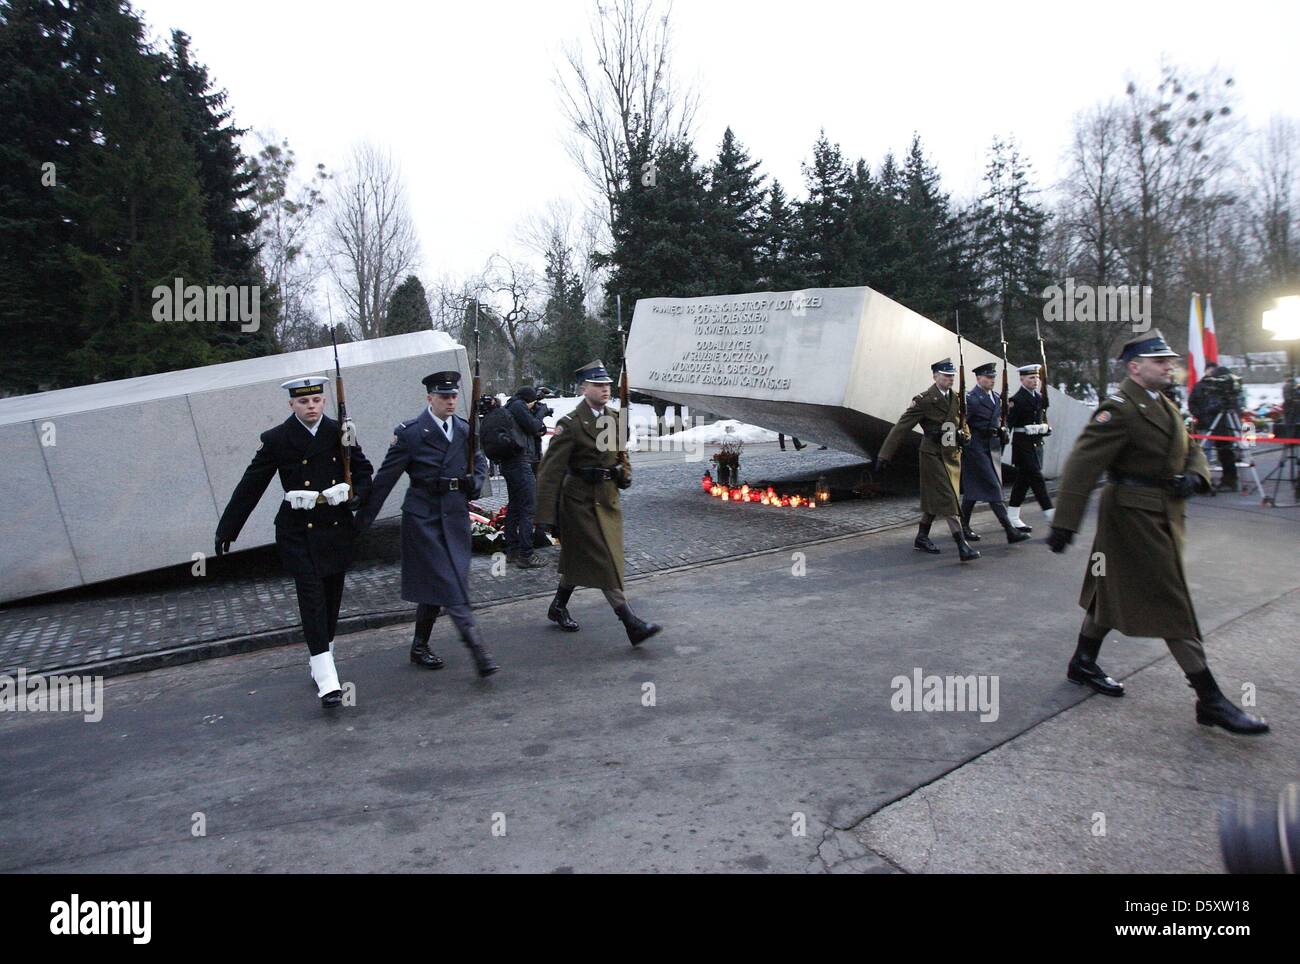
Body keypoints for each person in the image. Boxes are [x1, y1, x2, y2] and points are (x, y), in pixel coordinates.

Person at [1046, 331, 1268, 735]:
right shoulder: (1120, 409)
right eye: (1160, 361)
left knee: (1109, 589)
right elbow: (1082, 464)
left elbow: (1192, 448)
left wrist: (1196, 477)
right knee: (1169, 601)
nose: (1169, 366)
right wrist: (1065, 523)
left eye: (1169, 360)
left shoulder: (1163, 403)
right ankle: (1210, 698)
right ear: (1135, 367)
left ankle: (1082, 661)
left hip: (1162, 512)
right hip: (1132, 517)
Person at [215, 377, 373, 708]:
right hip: (299, 531)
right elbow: (251, 484)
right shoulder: (277, 439)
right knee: (312, 599)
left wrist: (351, 493)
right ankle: (327, 677)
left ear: (324, 402)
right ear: (291, 405)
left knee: (331, 598)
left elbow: (363, 472)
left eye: (316, 400)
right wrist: (228, 528)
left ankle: (323, 655)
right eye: (303, 402)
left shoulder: (340, 432)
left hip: (335, 526)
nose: (311, 406)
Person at [353, 370, 498, 678]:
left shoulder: (463, 429)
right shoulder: (411, 433)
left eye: (454, 396)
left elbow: (480, 460)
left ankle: (419, 645)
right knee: (449, 581)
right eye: (444, 396)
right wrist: (360, 524)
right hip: (424, 517)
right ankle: (476, 646)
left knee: (441, 583)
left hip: (455, 514)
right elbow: (385, 479)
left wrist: (476, 481)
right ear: (429, 398)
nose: (450, 401)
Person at [535, 360, 663, 644]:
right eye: (597, 385)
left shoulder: (616, 418)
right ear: (583, 389)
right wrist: (544, 516)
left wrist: (624, 473)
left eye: (606, 385)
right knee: (603, 560)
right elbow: (549, 471)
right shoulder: (569, 424)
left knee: (580, 561)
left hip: (607, 500)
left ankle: (557, 606)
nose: (604, 389)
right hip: (579, 503)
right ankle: (631, 623)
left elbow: (621, 454)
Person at [876, 358, 979, 561]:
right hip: (932, 454)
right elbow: (901, 427)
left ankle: (922, 537)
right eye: (946, 375)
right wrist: (884, 454)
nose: (950, 379)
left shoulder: (957, 398)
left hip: (952, 455)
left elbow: (963, 421)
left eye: (952, 376)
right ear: (935, 376)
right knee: (949, 498)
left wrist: (965, 435)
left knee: (935, 499)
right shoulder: (924, 400)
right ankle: (961, 545)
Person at [960, 362, 1030, 545]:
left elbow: (1001, 420)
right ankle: (1009, 530)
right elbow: (962, 423)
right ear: (978, 378)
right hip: (976, 448)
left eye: (993, 377)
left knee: (973, 490)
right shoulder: (971, 399)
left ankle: (963, 526)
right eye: (987, 377)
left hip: (992, 446)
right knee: (993, 486)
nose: (991, 380)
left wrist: (1003, 429)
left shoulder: (997, 397)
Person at [501, 386, 548, 569]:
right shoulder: (518, 406)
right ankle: (526, 555)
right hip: (520, 463)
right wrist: (541, 413)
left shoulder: (509, 408)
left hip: (510, 463)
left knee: (514, 506)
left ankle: (512, 550)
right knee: (529, 507)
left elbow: (532, 431)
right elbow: (534, 425)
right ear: (529, 400)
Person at [1006, 364, 1055, 533]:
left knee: (1023, 481)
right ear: (1022, 379)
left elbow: (1041, 418)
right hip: (1022, 446)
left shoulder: (1039, 398)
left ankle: (1012, 516)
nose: (1035, 381)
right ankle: (1051, 515)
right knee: (1037, 478)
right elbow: (1009, 424)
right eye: (1031, 378)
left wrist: (1044, 429)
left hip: (1036, 444)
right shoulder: (1016, 400)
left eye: (1037, 377)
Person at [1188, 364, 1243, 492]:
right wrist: (1202, 414)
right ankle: (1202, 480)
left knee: (1226, 453)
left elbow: (1236, 407)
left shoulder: (1228, 392)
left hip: (1223, 425)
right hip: (1205, 424)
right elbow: (1193, 404)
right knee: (1203, 453)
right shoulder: (1200, 386)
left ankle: (1229, 480)